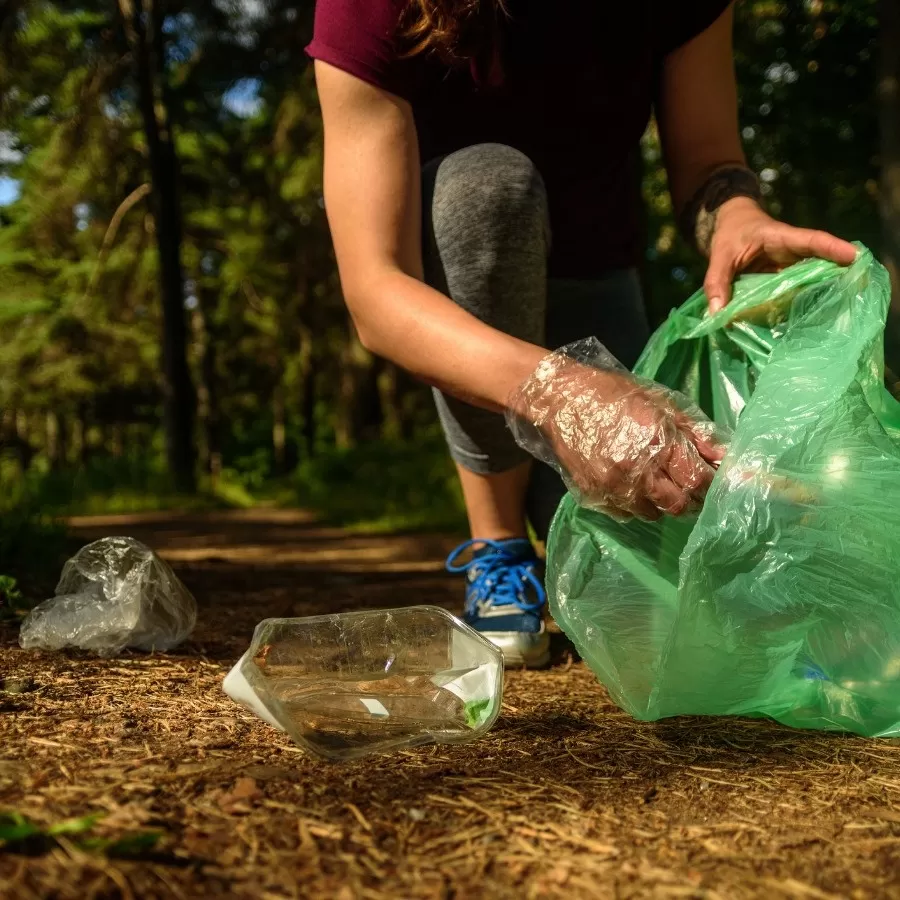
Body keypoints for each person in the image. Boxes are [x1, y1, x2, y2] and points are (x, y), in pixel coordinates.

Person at [306, 0, 857, 667]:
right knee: (488, 189)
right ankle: (499, 541)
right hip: (463, 291)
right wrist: (561, 395)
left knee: (659, 573)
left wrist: (736, 216)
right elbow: (376, 289)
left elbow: (710, 162)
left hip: (597, 274)